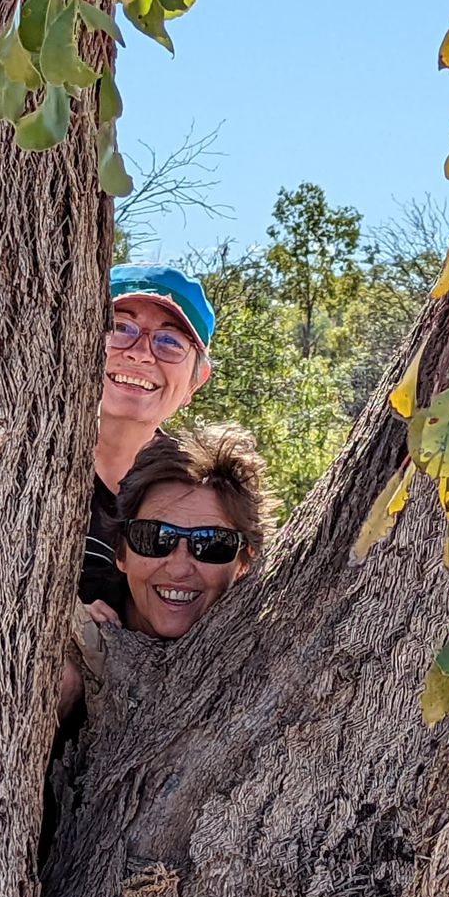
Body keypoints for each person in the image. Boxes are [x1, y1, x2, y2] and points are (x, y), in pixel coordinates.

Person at [82, 264, 217, 617]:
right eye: (120, 328)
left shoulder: (203, 494)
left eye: (169, 341)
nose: (140, 353)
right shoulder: (12, 458)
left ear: (196, 381)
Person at [104, 423, 276, 640]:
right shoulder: (73, 606)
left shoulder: (268, 641)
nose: (179, 569)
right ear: (121, 551)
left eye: (211, 543)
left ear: (244, 563)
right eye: (156, 538)